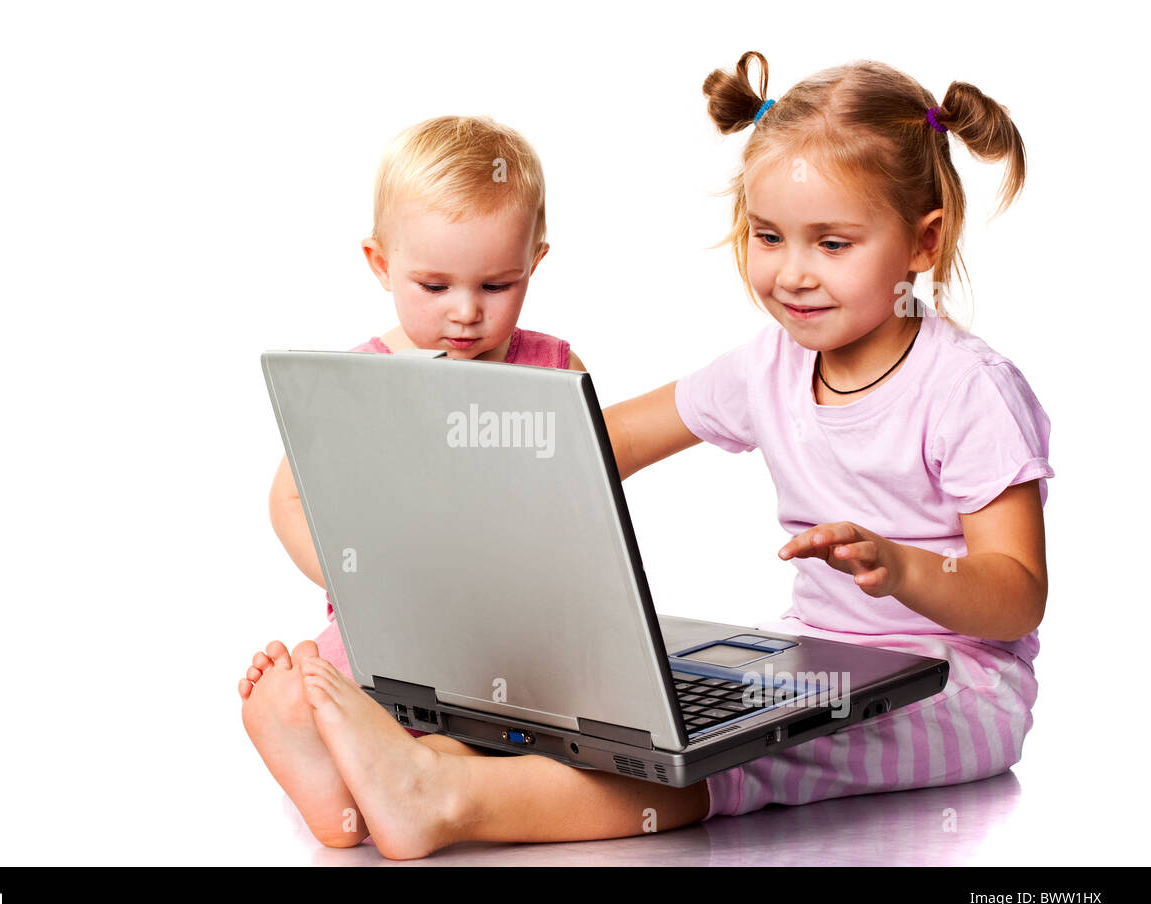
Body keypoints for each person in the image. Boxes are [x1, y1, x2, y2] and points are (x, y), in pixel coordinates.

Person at [240, 52, 1052, 861]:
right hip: (807, 655)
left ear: (923, 242)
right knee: (629, 713)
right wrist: (468, 472)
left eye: (832, 244)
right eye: (769, 236)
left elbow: (1017, 599)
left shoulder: (966, 389)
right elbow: (607, 443)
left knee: (729, 762)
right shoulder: (768, 364)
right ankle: (396, 775)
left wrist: (904, 570)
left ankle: (447, 801)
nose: (793, 274)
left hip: (954, 683)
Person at [241, 114, 586, 847]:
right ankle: (318, 744)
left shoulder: (554, 370)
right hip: (381, 638)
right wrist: (351, 572)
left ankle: (361, 790)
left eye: (498, 283)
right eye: (432, 285)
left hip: (508, 639)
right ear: (379, 263)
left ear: (537, 260)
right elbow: (287, 499)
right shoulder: (361, 380)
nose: (465, 312)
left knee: (491, 739)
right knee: (373, 694)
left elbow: (590, 503)